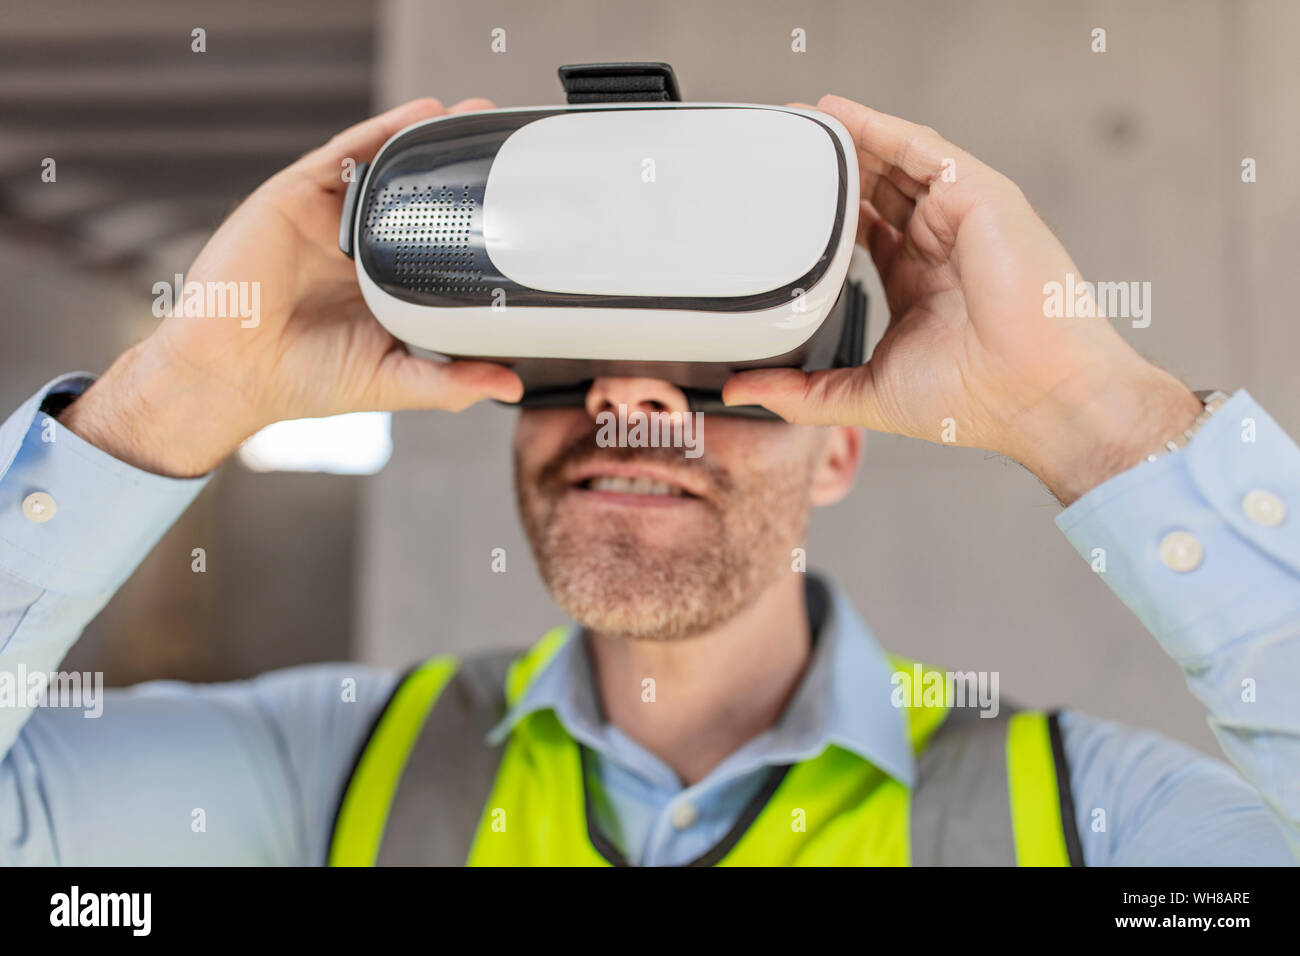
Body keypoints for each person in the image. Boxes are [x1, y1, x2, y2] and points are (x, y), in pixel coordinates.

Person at [1, 95, 1295, 866]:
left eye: (725, 364)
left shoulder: (1087, 819)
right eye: (566, 360)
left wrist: (1087, 411)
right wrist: (175, 397)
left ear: (840, 444)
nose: (630, 404)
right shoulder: (325, 769)